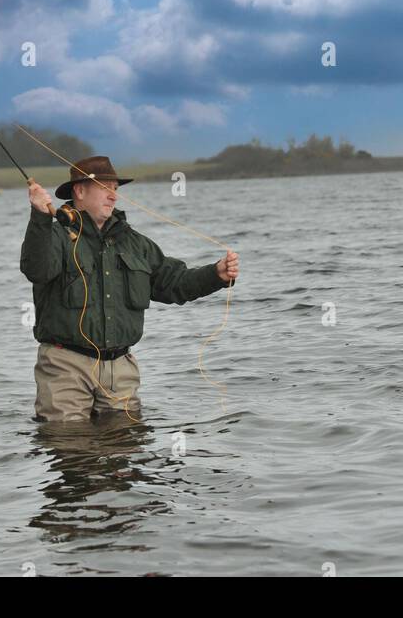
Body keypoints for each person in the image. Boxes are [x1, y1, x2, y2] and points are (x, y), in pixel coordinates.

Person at [20, 155, 240, 422]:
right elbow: (36, 269)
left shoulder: (136, 243)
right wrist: (40, 218)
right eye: (105, 187)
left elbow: (175, 283)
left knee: (125, 448)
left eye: (115, 189)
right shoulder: (53, 236)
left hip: (121, 369)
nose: (113, 196)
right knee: (70, 449)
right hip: (65, 365)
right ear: (79, 190)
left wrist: (216, 274)